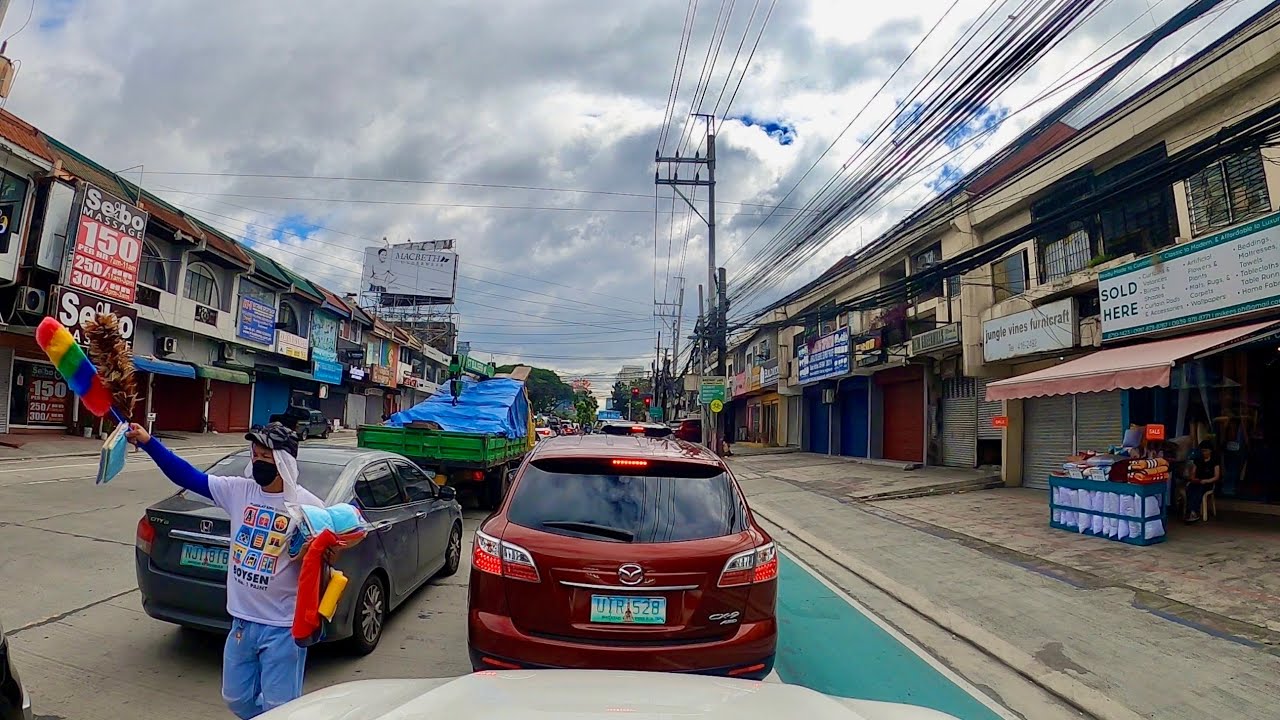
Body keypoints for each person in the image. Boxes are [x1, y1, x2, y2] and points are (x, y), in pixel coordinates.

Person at [127, 421, 327, 718]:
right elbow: (186, 475)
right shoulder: (238, 491)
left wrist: (323, 551)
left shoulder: (309, 508)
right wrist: (148, 442)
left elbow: (339, 543)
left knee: (281, 709)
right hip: (242, 624)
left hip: (283, 627)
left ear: (284, 462)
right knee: (237, 699)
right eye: (255, 454)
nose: (257, 461)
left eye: (265, 456)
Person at [1186, 440, 1221, 522]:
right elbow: (1193, 473)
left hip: (1208, 483)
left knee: (1199, 490)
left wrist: (1206, 481)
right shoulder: (1198, 460)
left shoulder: (1215, 460)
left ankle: (1194, 511)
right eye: (1202, 451)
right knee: (1191, 489)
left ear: (1210, 451)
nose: (1204, 453)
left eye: (1205, 451)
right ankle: (1190, 511)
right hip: (1198, 481)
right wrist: (1193, 479)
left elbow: (1216, 476)